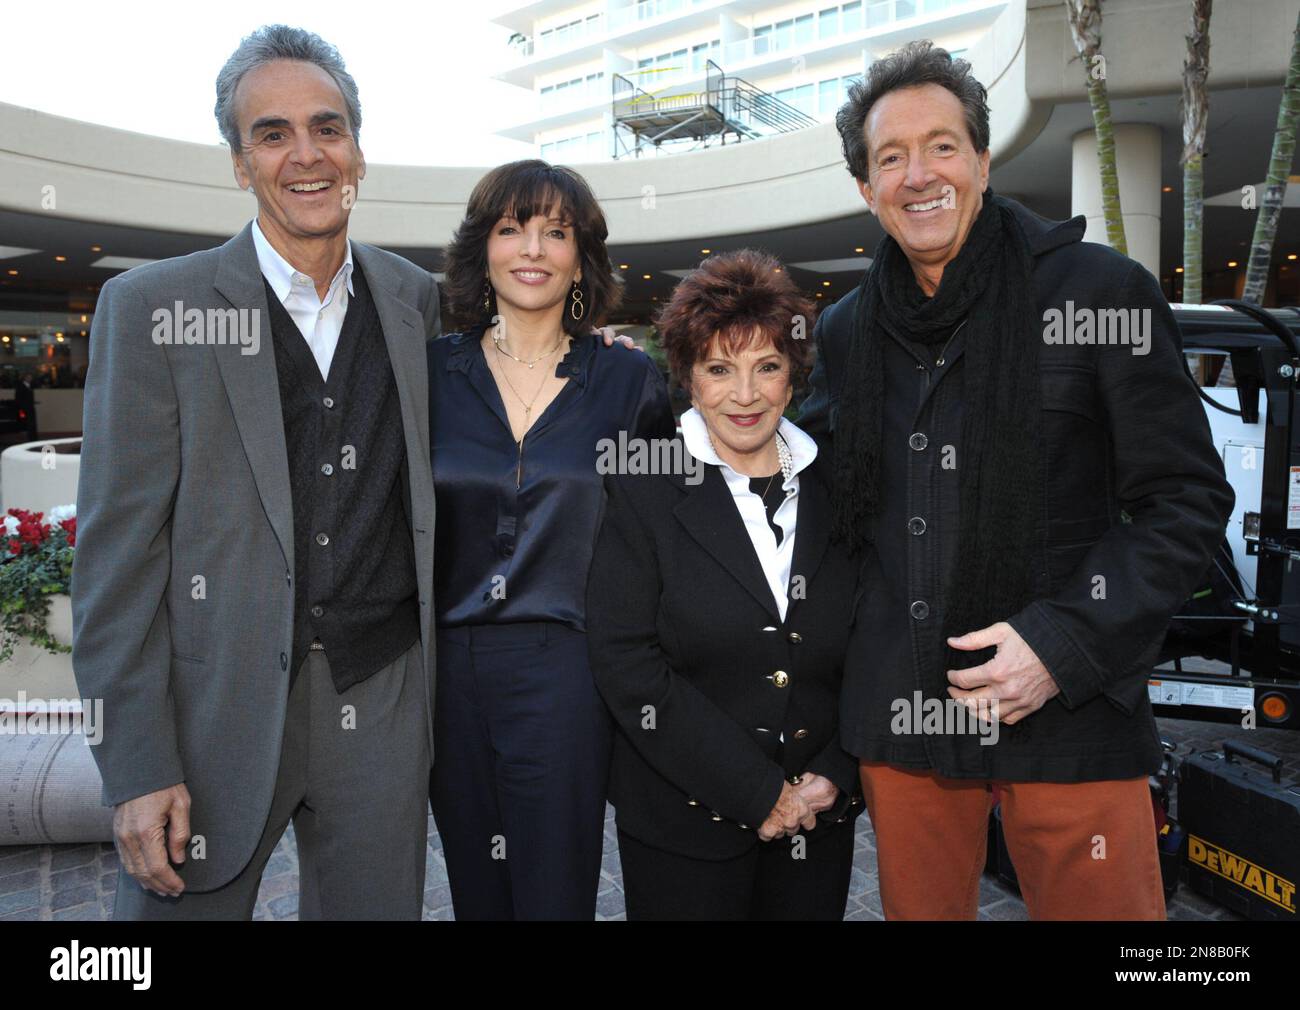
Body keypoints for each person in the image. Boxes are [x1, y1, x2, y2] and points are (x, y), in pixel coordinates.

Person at [800, 41, 1234, 920]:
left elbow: (1184, 500)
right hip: (905, 721)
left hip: (1072, 710)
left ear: (986, 161)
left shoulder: (1100, 290)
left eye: (943, 146)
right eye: (891, 157)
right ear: (865, 188)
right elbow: (817, 506)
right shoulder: (844, 332)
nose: (919, 174)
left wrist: (1061, 646)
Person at [72, 25, 441, 920]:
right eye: (272, 134)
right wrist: (138, 765)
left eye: (329, 127)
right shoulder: (153, 307)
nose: (306, 155)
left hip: (381, 693)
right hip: (214, 707)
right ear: (240, 164)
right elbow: (116, 558)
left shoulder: (414, 300)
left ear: (358, 148)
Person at [428, 159, 674, 920]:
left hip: (569, 669)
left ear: (580, 256)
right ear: (483, 248)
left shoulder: (629, 383)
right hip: (447, 672)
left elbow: (665, 535)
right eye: (511, 228)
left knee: (554, 890)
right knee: (477, 887)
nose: (532, 248)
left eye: (555, 232)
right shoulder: (430, 372)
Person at [586, 249, 863, 921]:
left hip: (816, 823)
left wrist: (838, 768)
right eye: (719, 369)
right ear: (688, 378)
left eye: (767, 367)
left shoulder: (840, 487)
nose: (745, 395)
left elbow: (870, 636)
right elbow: (627, 663)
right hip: (682, 831)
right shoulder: (642, 485)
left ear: (794, 378)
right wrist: (756, 791)